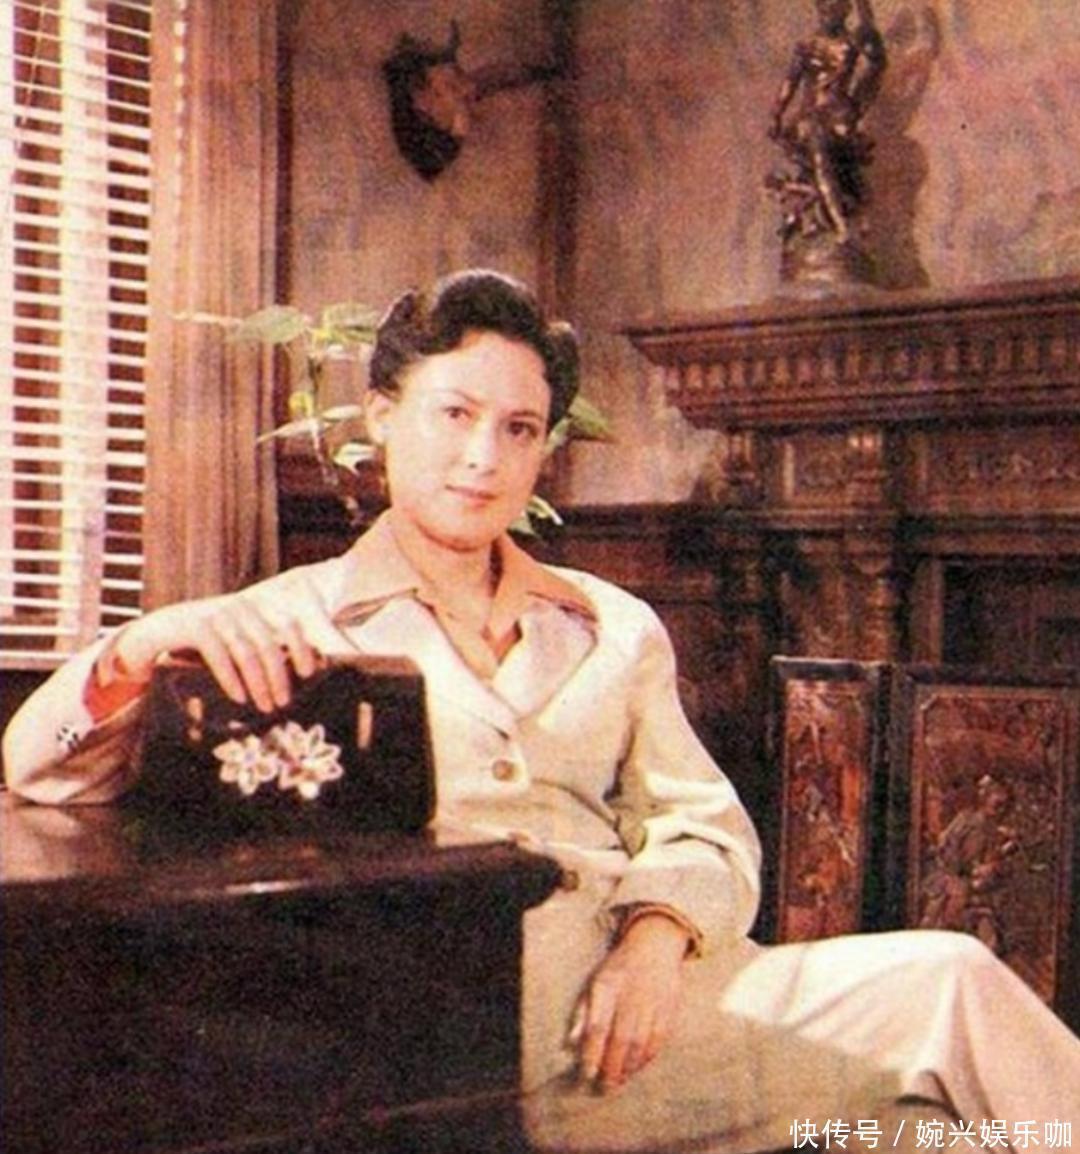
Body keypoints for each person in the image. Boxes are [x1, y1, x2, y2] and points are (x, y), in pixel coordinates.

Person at [4, 270, 1079, 1152]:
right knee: (945, 1029)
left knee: (933, 1097)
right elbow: (39, 771)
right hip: (470, 1042)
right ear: (382, 418)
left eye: (519, 428)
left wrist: (656, 935)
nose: (484, 456)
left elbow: (704, 824)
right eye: (455, 414)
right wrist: (133, 649)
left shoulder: (612, 625)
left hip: (663, 1002)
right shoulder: (285, 622)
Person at [768, 0, 886, 244]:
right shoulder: (807, 46)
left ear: (845, 10)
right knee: (817, 150)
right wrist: (776, 115)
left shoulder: (851, 43)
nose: (828, 13)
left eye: (834, 8)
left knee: (820, 151)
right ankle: (838, 222)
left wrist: (863, 8)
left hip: (838, 116)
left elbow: (876, 62)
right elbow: (790, 83)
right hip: (811, 117)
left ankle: (841, 223)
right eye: (824, 8)